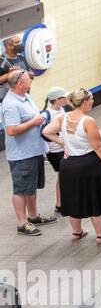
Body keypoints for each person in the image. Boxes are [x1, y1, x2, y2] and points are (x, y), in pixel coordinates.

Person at [59, 88, 101, 243]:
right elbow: (98, 146)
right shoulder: (88, 121)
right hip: (89, 164)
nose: (93, 101)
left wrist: (64, 144)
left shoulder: (63, 117)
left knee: (73, 197)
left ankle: (77, 232)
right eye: (91, 99)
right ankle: (100, 235)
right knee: (95, 199)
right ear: (85, 101)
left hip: (69, 164)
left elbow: (46, 131)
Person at [3, 70, 55, 236]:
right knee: (21, 189)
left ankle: (33, 216)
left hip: (34, 151)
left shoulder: (25, 97)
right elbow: (11, 130)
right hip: (21, 155)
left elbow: (34, 116)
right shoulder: (10, 104)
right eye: (27, 80)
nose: (30, 82)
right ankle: (22, 223)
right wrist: (34, 121)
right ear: (19, 84)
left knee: (31, 187)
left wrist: (41, 118)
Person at [40, 86, 70, 217]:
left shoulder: (62, 110)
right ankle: (60, 203)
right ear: (57, 100)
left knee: (63, 175)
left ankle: (61, 202)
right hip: (54, 151)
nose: (66, 99)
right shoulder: (47, 114)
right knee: (62, 175)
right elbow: (44, 134)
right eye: (64, 97)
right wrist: (62, 142)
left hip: (63, 148)